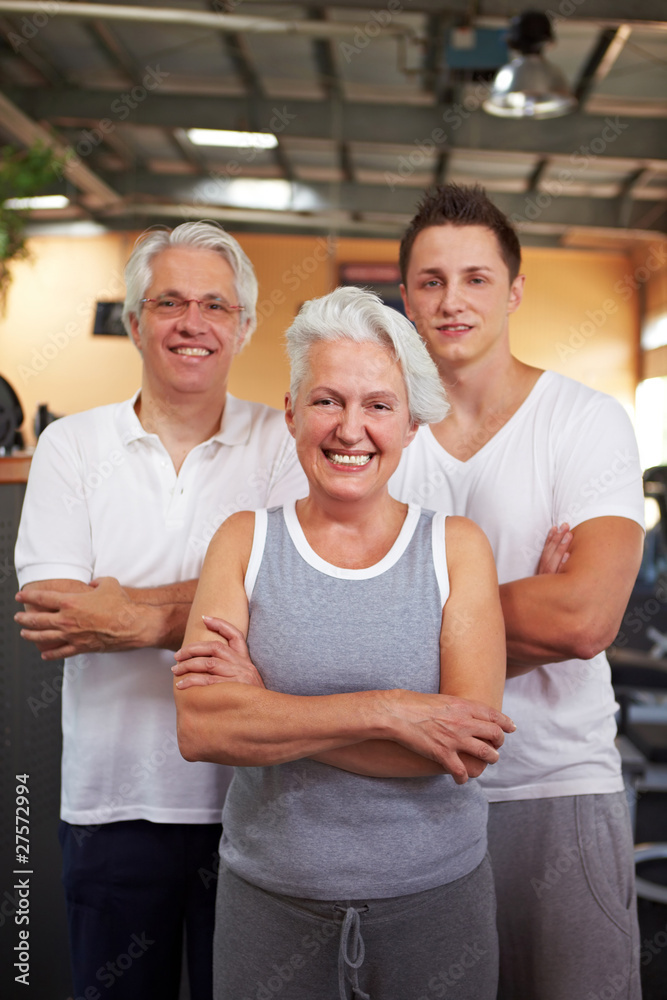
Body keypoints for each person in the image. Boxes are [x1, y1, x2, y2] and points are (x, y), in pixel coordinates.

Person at [173, 285, 516, 1000]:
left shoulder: (457, 549)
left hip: (435, 905)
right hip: (268, 904)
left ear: (411, 424)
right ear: (293, 412)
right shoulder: (243, 539)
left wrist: (264, 709)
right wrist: (391, 711)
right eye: (327, 400)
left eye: (378, 405)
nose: (350, 429)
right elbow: (203, 725)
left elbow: (467, 745)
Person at [13, 221, 308, 1000]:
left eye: (215, 304)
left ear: (243, 328)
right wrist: (228, 601)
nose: (192, 322)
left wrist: (131, 617)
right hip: (110, 804)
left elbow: (299, 598)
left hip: (251, 803)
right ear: (135, 321)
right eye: (169, 301)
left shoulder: (283, 442)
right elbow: (57, 614)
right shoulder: (72, 448)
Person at [390, 184, 645, 1000]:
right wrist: (519, 600)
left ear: (514, 290)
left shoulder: (585, 422)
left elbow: (581, 619)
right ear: (404, 297)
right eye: (430, 281)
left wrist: (398, 615)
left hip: (554, 784)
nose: (451, 300)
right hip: (407, 784)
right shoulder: (374, 435)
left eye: (474, 278)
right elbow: (318, 613)